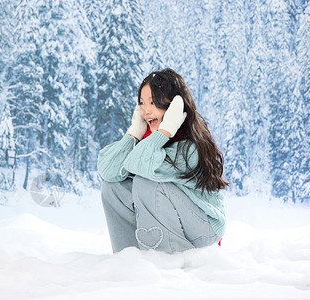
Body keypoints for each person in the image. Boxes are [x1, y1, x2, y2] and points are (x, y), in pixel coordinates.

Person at [97, 68, 229, 253]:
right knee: (113, 188)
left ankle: (164, 260)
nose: (146, 110)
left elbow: (142, 167)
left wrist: (165, 131)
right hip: (177, 219)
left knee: (147, 182)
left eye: (153, 102)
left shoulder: (190, 147)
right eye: (141, 103)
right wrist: (133, 133)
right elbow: (108, 170)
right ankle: (128, 257)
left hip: (204, 227)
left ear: (175, 106)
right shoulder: (148, 140)